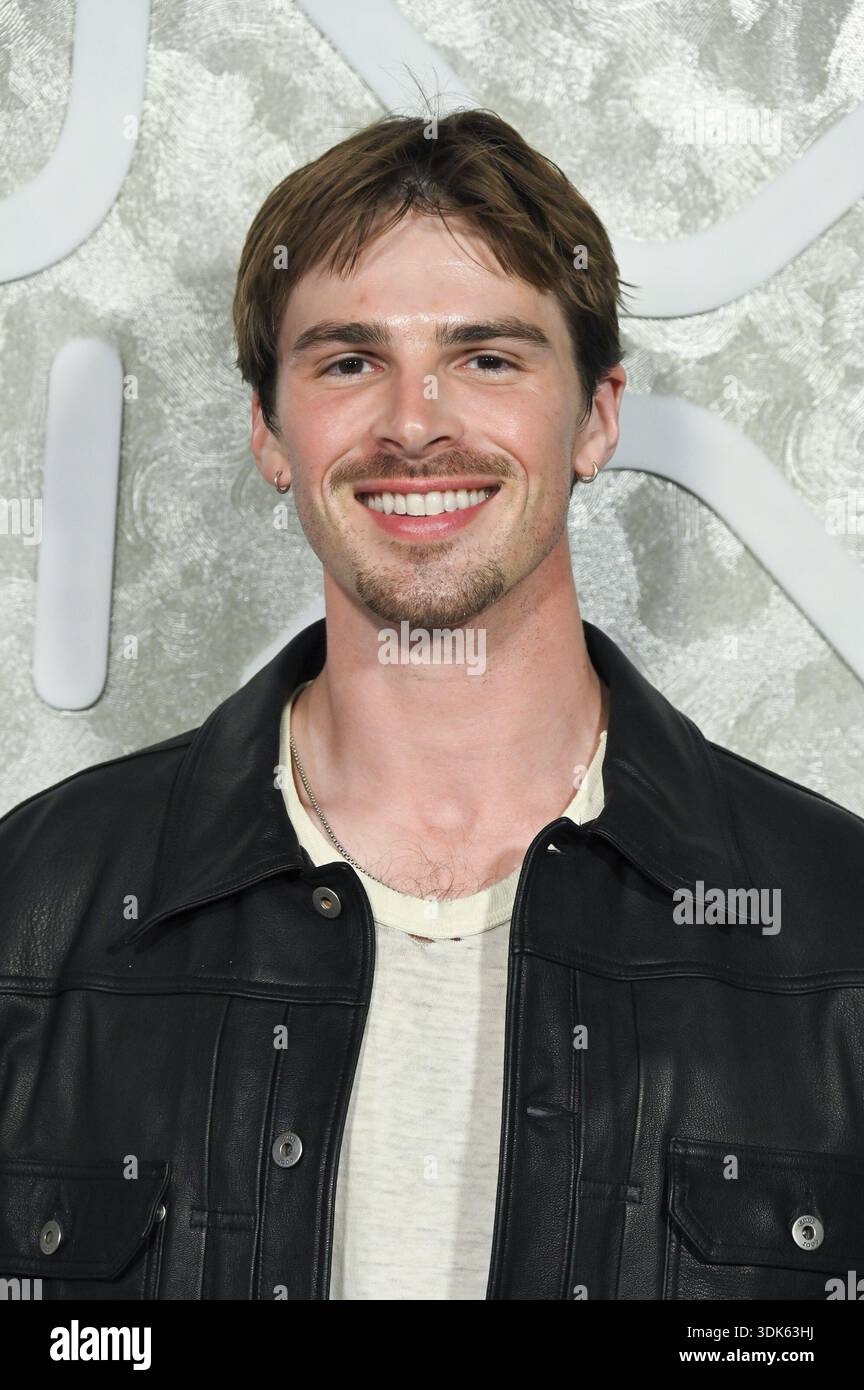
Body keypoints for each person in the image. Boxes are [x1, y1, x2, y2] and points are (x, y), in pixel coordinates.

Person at [1, 110, 863, 1303]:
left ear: (598, 416)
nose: (414, 424)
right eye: (350, 361)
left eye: (488, 359)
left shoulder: (833, 928)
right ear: (267, 428)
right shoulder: (35, 915)